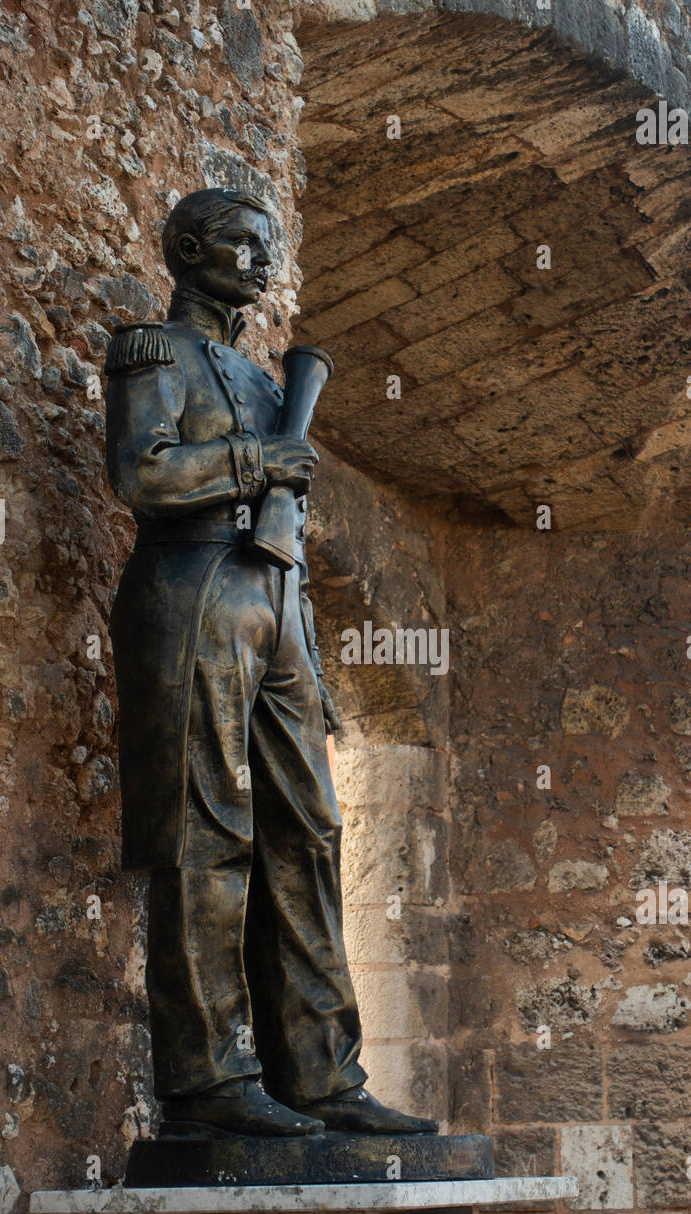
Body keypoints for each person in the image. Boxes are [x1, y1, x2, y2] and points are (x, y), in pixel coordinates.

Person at [104, 186, 436, 1138]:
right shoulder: (154, 352)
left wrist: (318, 668)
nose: (260, 262)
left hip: (274, 604)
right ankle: (209, 1079)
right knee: (203, 827)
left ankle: (320, 1074)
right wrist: (255, 464)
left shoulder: (260, 382)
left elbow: (284, 527)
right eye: (242, 244)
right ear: (187, 249)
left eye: (268, 247)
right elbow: (142, 474)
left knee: (310, 830)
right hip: (193, 584)